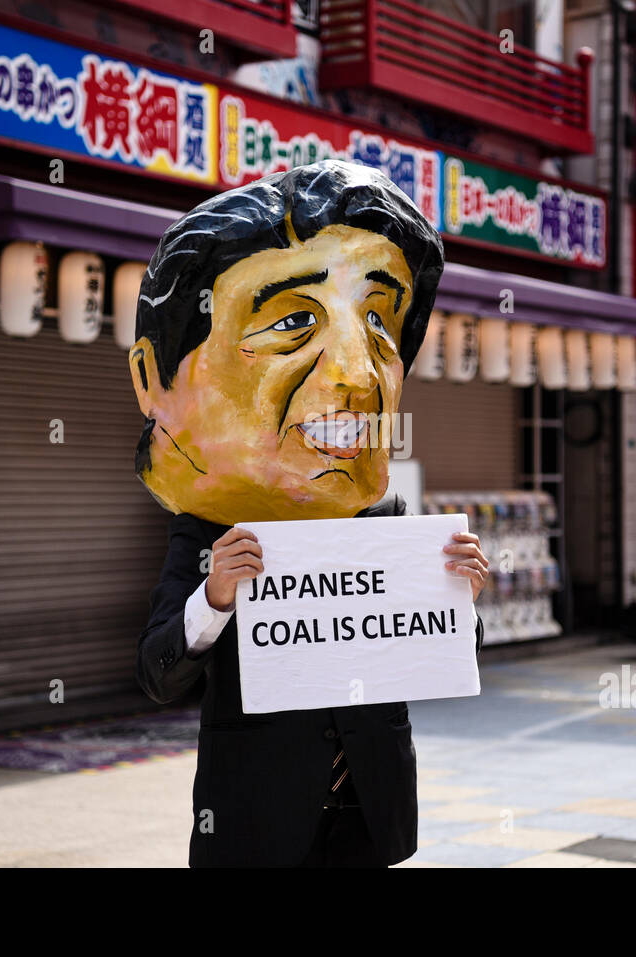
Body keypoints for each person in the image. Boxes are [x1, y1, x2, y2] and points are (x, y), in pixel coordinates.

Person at [131, 161, 489, 867]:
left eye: (378, 321)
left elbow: (442, 657)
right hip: (257, 825)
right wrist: (214, 598)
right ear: (154, 380)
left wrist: (459, 600)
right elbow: (157, 672)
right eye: (292, 321)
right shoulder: (209, 529)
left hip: (369, 820)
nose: (359, 373)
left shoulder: (383, 518)